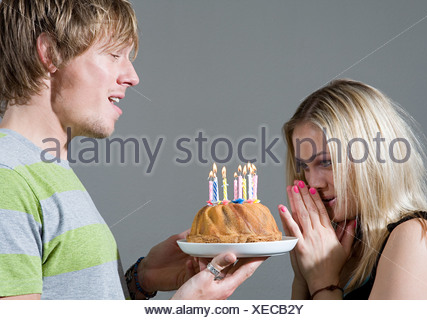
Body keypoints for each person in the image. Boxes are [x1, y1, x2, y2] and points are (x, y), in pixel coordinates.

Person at [0, 0, 264, 300]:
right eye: (114, 55)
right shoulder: (7, 179)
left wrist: (139, 281)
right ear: (50, 53)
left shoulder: (43, 170)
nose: (132, 76)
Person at [278, 79, 427, 299]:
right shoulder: (343, 248)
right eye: (304, 167)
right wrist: (303, 276)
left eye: (326, 162)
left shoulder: (415, 237)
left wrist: (324, 282)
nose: (313, 183)